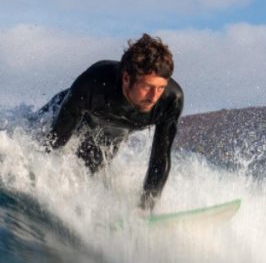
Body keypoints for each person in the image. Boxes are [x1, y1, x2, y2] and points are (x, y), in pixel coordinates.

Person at [40, 33, 183, 211]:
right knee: (38, 142)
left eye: (161, 87)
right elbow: (53, 143)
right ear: (126, 79)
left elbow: (159, 160)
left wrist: (145, 211)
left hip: (108, 136)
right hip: (67, 114)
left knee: (84, 175)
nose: (154, 96)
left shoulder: (170, 100)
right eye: (147, 87)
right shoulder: (93, 84)